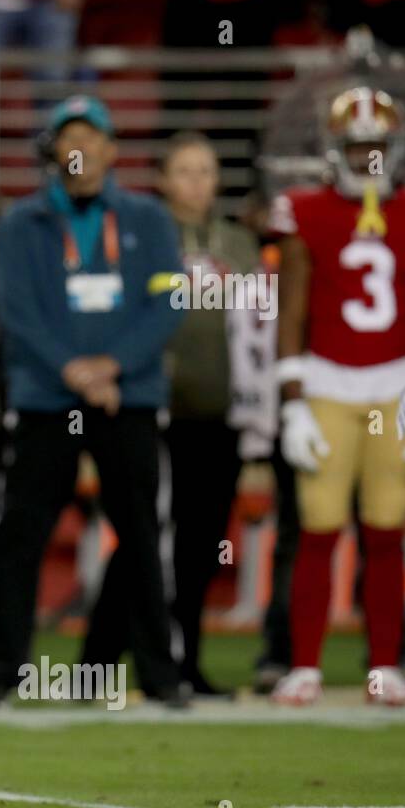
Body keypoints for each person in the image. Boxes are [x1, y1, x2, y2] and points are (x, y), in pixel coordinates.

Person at [0, 95, 188, 707]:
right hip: (47, 398)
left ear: (112, 152)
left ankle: (160, 676)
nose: (82, 154)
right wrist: (78, 371)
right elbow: (18, 311)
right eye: (70, 142)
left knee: (142, 534)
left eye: (92, 142)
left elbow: (168, 300)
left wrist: (112, 365)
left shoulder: (148, 218)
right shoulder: (21, 223)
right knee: (21, 535)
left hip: (128, 395)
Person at [87, 133, 259, 696]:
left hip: (218, 412)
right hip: (151, 407)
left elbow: (261, 331)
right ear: (162, 178)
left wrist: (261, 412)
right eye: (184, 171)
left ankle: (185, 659)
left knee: (201, 543)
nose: (196, 182)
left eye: (206, 171)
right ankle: (99, 661)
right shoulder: (138, 234)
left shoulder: (241, 244)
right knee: (141, 536)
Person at [272, 87, 405, 706]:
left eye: (377, 148)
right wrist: (291, 399)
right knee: (318, 529)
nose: (368, 159)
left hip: (396, 383)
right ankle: (304, 664)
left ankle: (383, 666)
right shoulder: (305, 210)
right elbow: (292, 308)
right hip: (329, 380)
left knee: (387, 530)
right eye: (358, 147)